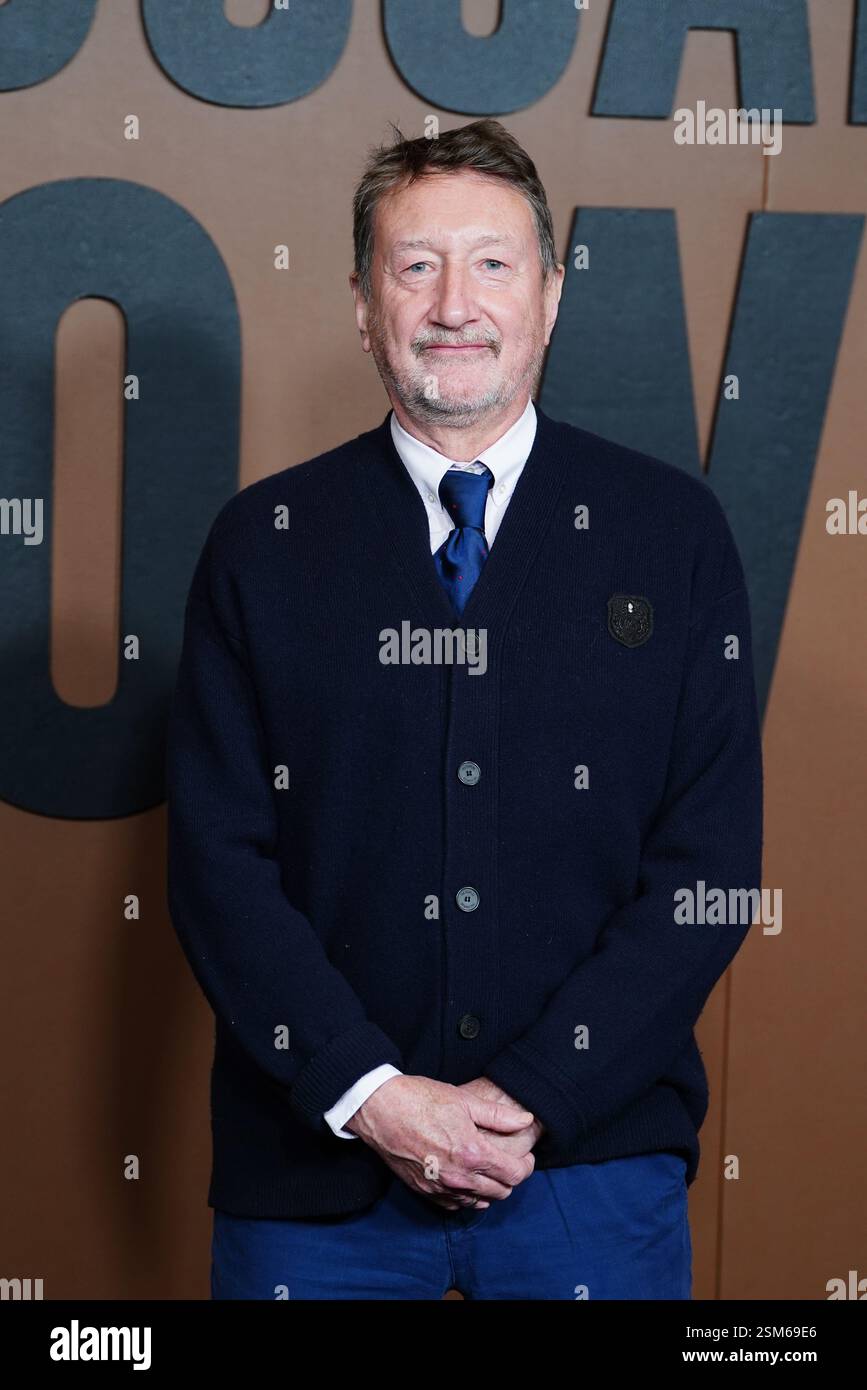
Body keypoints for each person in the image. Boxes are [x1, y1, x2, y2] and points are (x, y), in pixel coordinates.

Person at [166, 118, 763, 1300]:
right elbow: (218, 870)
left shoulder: (672, 537)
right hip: (317, 1183)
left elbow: (708, 868)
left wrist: (530, 1093)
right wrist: (373, 1098)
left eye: (492, 263)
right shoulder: (262, 548)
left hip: (592, 1176)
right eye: (414, 264)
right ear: (360, 300)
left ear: (549, 295)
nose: (454, 303)